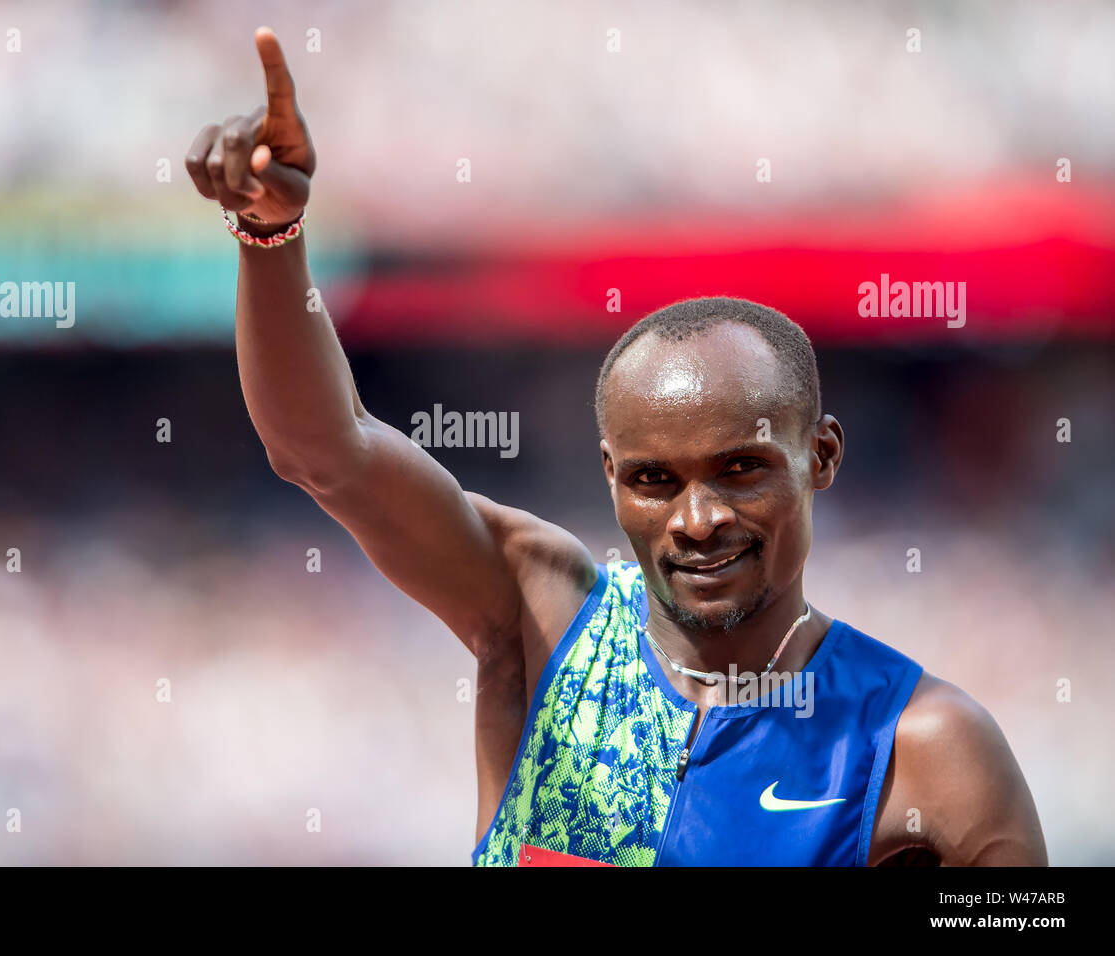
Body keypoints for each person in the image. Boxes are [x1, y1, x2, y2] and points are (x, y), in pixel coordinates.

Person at [184, 26, 1047, 866]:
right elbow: (322, 449)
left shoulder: (925, 747)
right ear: (610, 477)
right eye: (653, 480)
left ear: (820, 457)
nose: (698, 518)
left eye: (740, 470)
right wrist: (270, 237)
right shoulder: (540, 618)